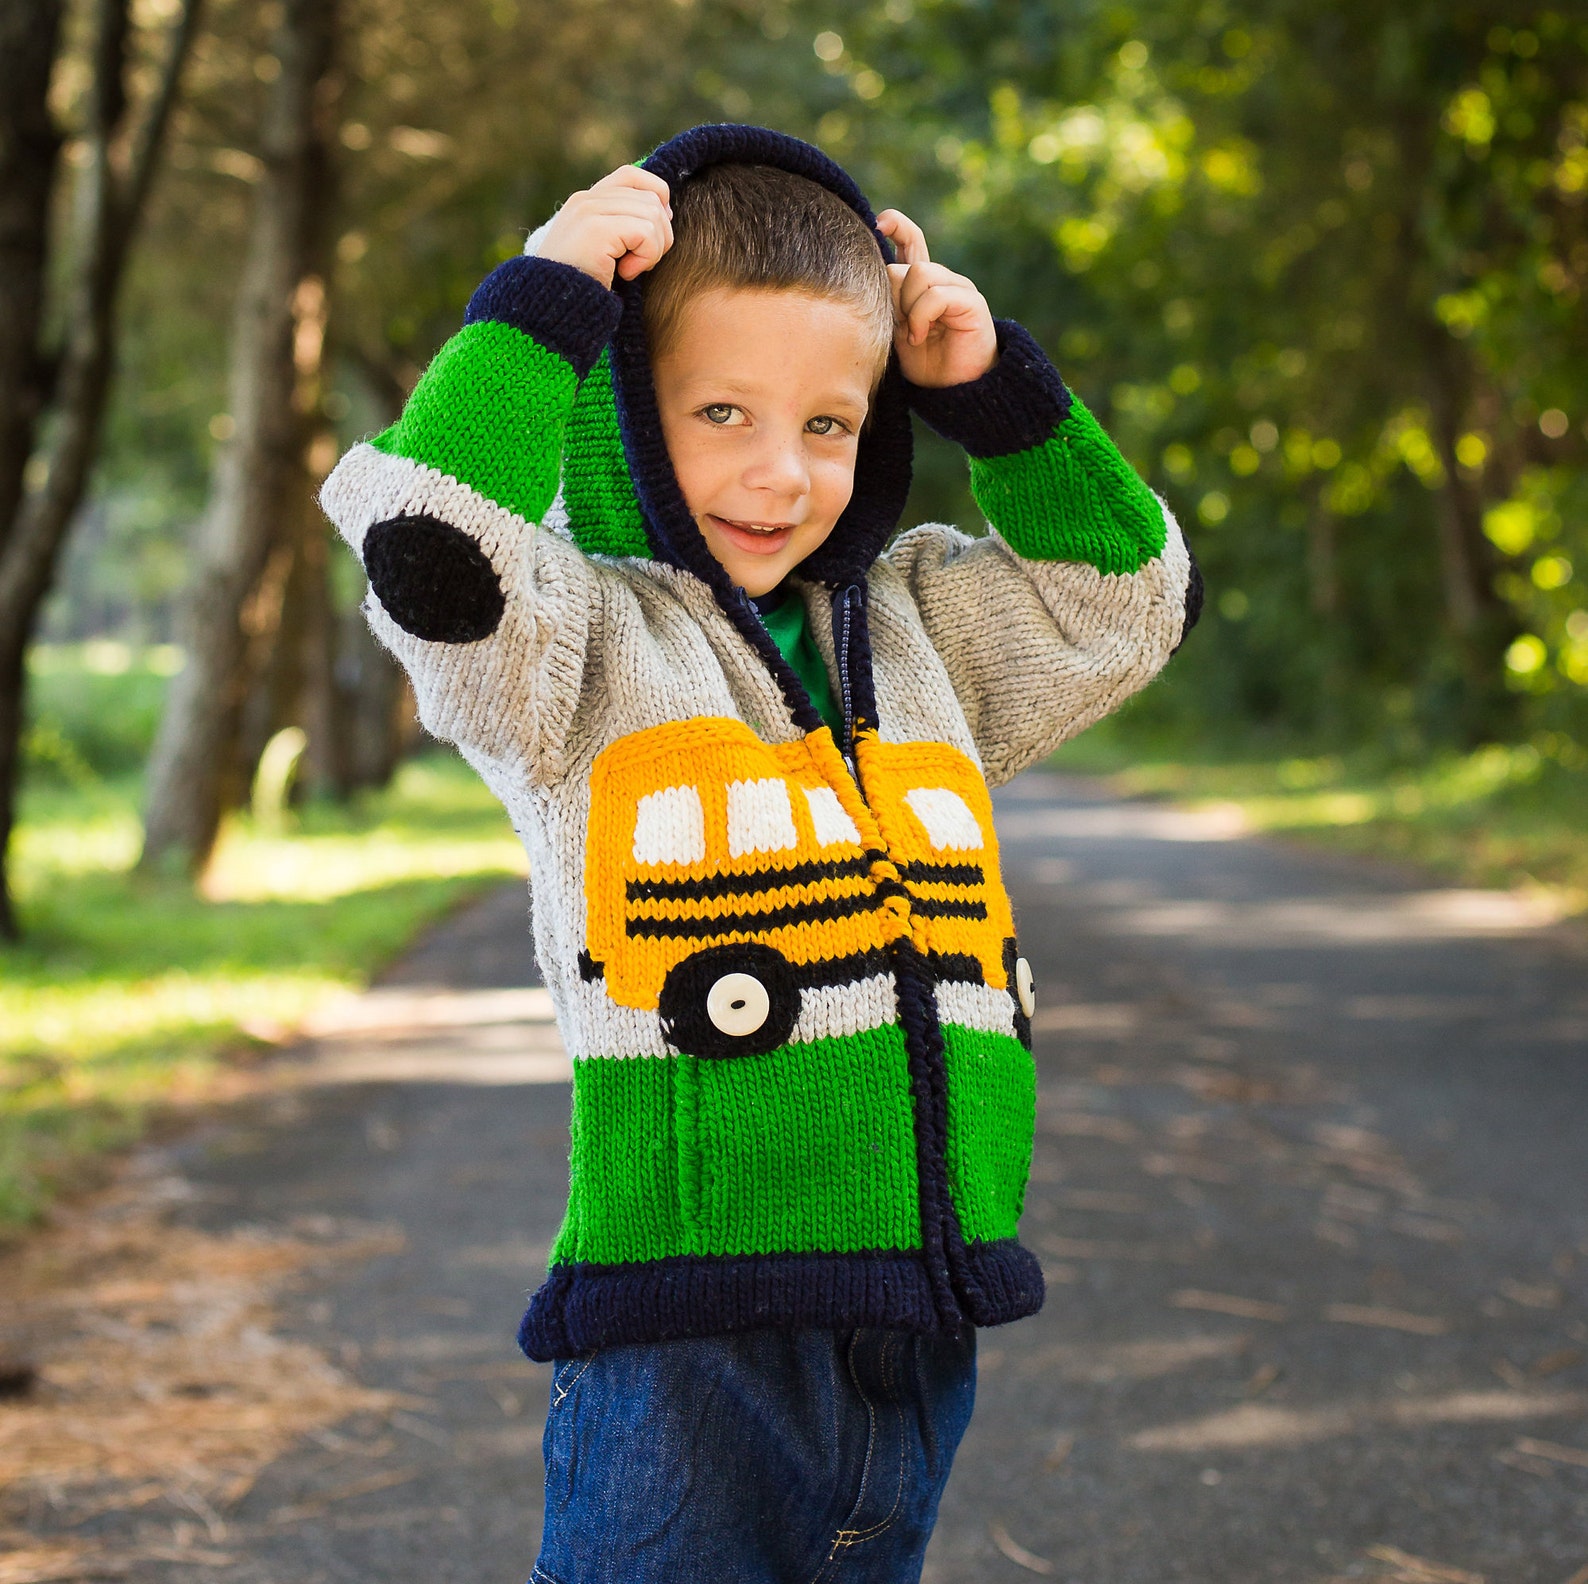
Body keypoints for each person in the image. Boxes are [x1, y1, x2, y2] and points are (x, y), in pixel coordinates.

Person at [321, 123, 1199, 1584]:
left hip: (918, 1317)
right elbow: (429, 548)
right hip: (689, 1341)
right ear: (618, 410)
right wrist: (540, 300)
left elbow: (1125, 603)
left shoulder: (920, 628)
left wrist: (998, 392)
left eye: (830, 424)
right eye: (722, 412)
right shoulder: (577, 648)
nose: (781, 476)